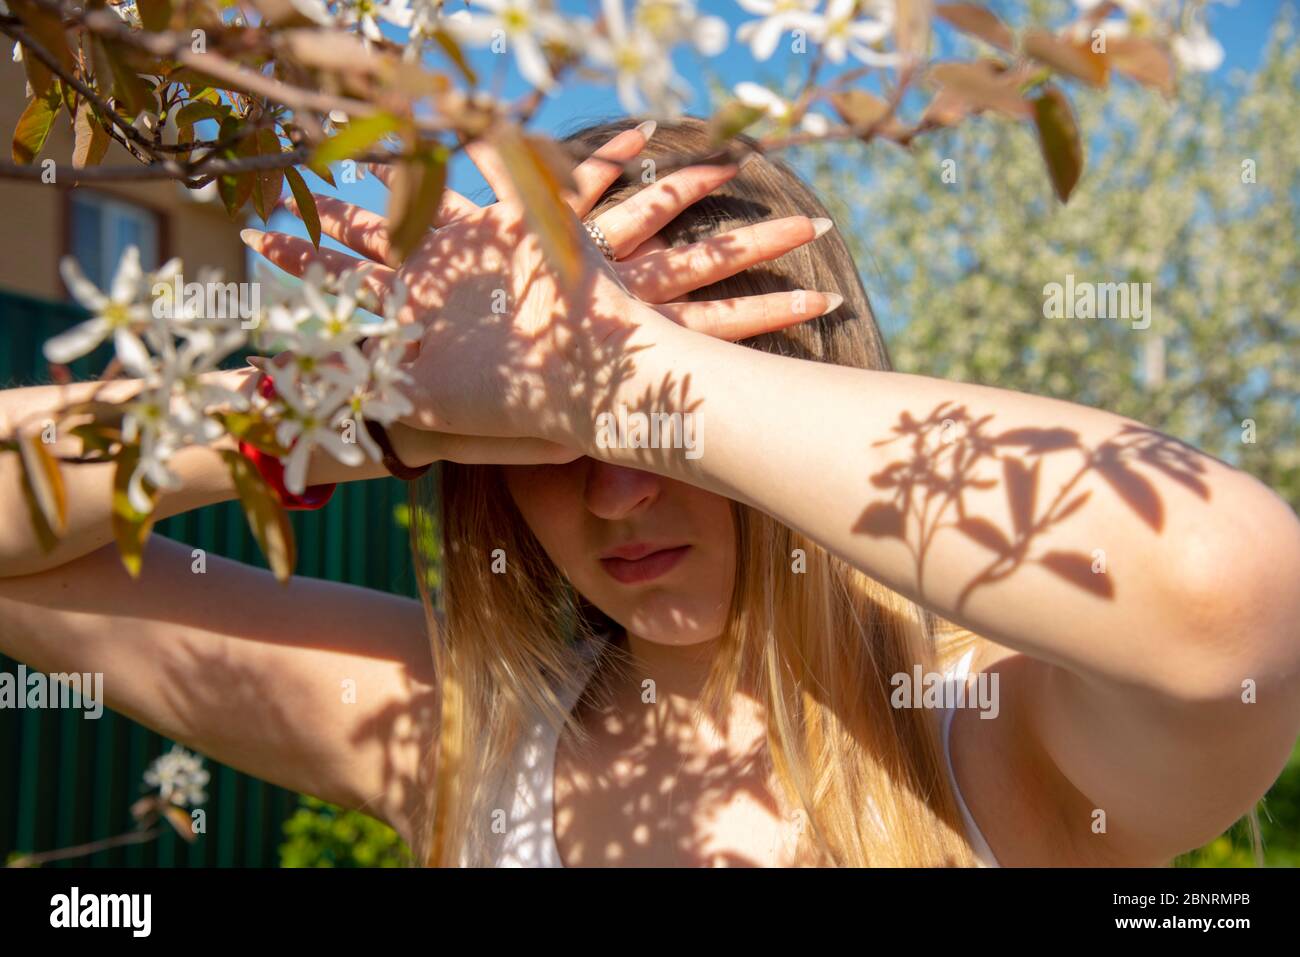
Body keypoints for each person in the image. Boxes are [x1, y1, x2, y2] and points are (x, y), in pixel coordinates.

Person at [2, 118, 1297, 868]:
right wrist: (349, 404)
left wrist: (621, 376)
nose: (618, 493)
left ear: (795, 407)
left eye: (676, 431)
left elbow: (1232, 599)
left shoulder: (984, 742)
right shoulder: (458, 729)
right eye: (543, 440)